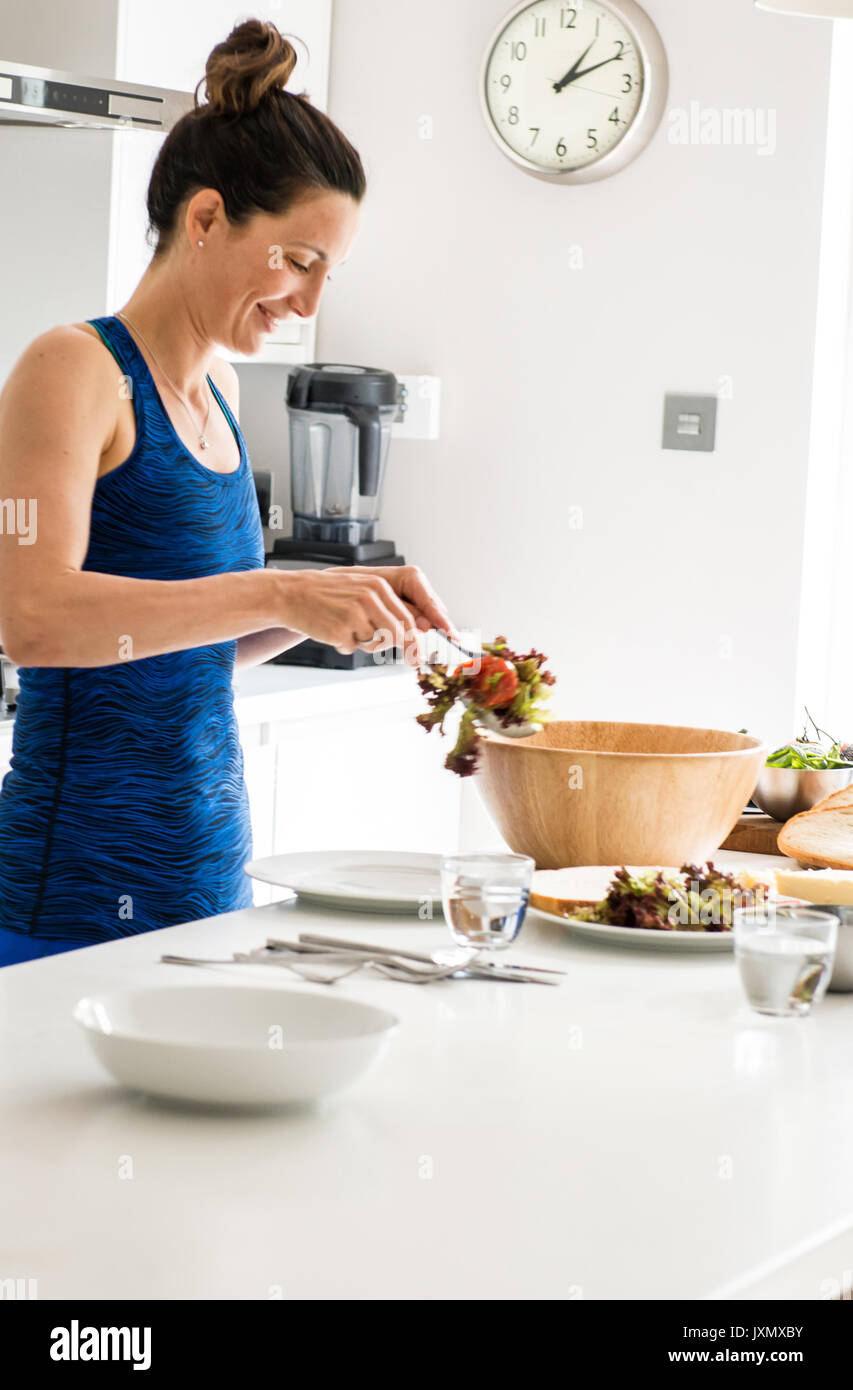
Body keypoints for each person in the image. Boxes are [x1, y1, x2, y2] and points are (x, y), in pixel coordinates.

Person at [0, 18, 458, 966]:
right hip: (69, 901)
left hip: (210, 884)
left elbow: (179, 656)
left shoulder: (219, 393)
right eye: (297, 258)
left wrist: (329, 609)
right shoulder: (75, 368)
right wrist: (280, 587)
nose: (309, 299)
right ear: (205, 220)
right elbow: (31, 618)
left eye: (330, 270)